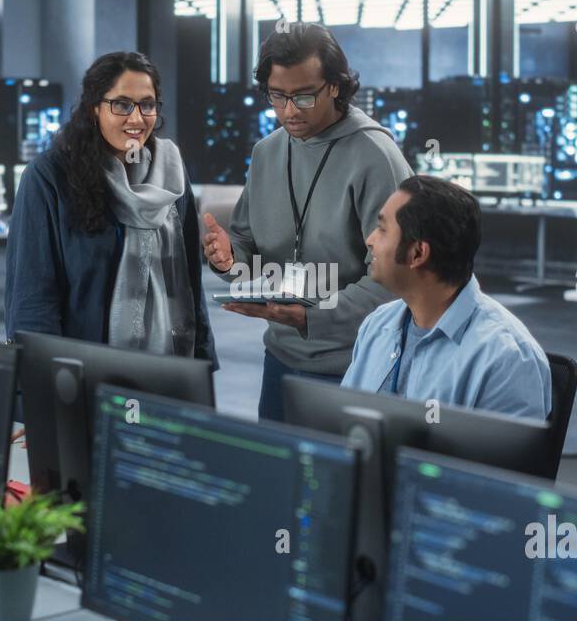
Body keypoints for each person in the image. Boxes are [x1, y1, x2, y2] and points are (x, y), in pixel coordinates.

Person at [202, 23, 412, 421]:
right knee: (278, 480)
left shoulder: (375, 155)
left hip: (356, 366)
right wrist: (230, 260)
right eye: (277, 96)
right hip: (280, 359)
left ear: (335, 86)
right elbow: (249, 250)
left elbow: (396, 282)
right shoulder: (266, 153)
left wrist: (313, 317)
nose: (289, 111)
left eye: (303, 95)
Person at [5, 52, 216, 365]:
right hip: (83, 371)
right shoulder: (50, 177)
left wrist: (201, 361)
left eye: (147, 104)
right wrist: (48, 381)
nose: (136, 118)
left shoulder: (171, 170)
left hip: (171, 365)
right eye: (121, 104)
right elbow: (32, 297)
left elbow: (189, 280)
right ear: (94, 109)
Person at [342, 175, 552, 420]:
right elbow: (343, 426)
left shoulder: (506, 358)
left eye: (382, 229)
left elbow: (504, 458)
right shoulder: (377, 326)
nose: (370, 240)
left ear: (418, 253)